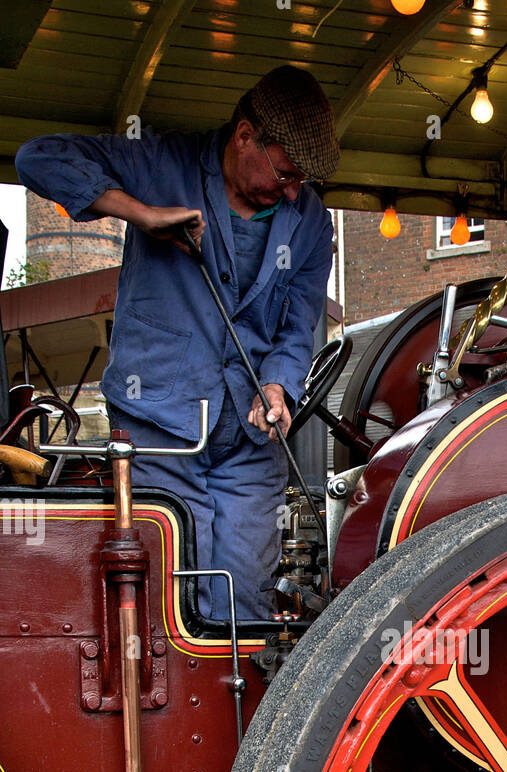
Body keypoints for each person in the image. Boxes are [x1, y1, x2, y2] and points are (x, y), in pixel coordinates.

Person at [15, 65, 340, 621]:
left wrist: (280, 383)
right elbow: (36, 158)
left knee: (244, 602)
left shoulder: (308, 220)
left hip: (248, 430)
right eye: (286, 173)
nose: (291, 190)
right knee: (174, 594)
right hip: (158, 419)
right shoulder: (162, 162)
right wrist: (139, 213)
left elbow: (299, 318)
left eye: (300, 181)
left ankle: (242, 709)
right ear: (245, 138)